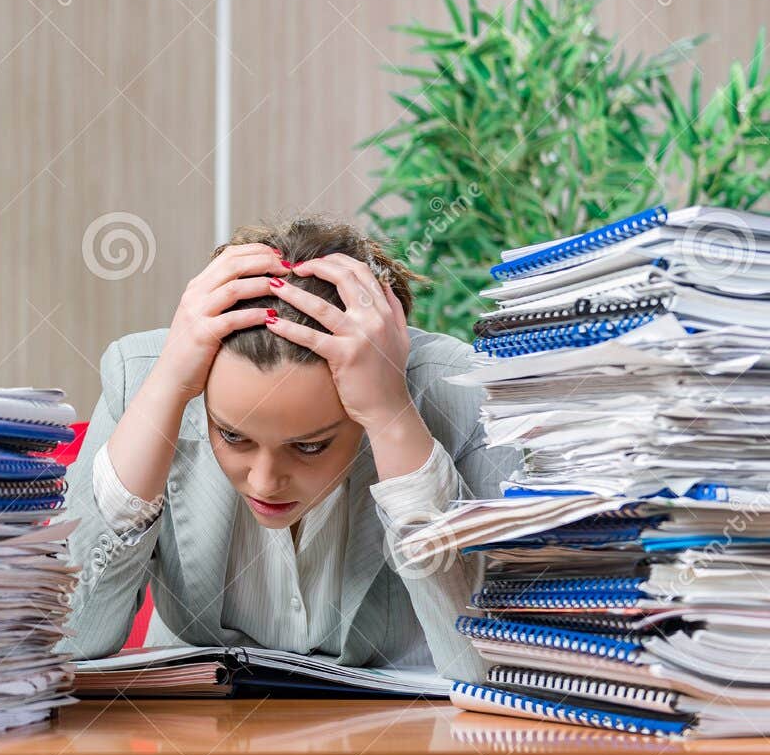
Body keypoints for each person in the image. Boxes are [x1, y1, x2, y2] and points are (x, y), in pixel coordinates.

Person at [63, 215, 519, 681]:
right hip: (193, 737)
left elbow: (490, 668)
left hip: (402, 741)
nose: (265, 481)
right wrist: (164, 390)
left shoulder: (464, 392)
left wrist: (391, 416)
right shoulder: (147, 383)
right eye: (233, 436)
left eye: (310, 446)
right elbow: (67, 639)